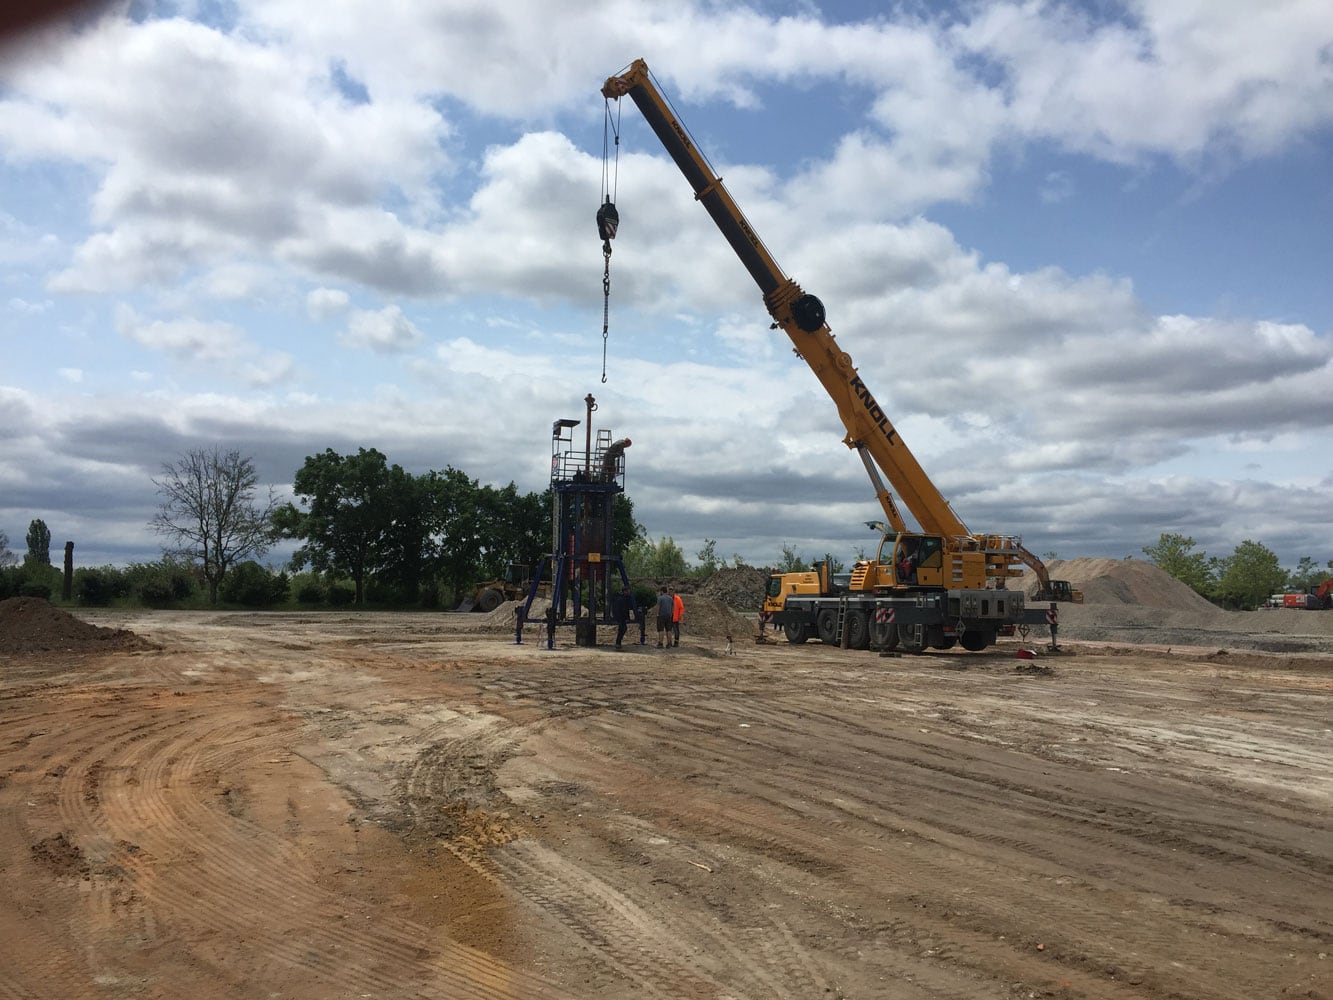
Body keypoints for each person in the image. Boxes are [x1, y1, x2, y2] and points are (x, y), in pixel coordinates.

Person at [609, 585, 632, 650]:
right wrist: (627, 617)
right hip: (620, 617)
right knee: (623, 628)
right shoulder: (622, 599)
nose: (629, 592)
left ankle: (618, 643)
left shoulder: (619, 597)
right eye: (628, 591)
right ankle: (618, 644)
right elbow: (624, 609)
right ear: (625, 591)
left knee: (622, 628)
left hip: (618, 616)